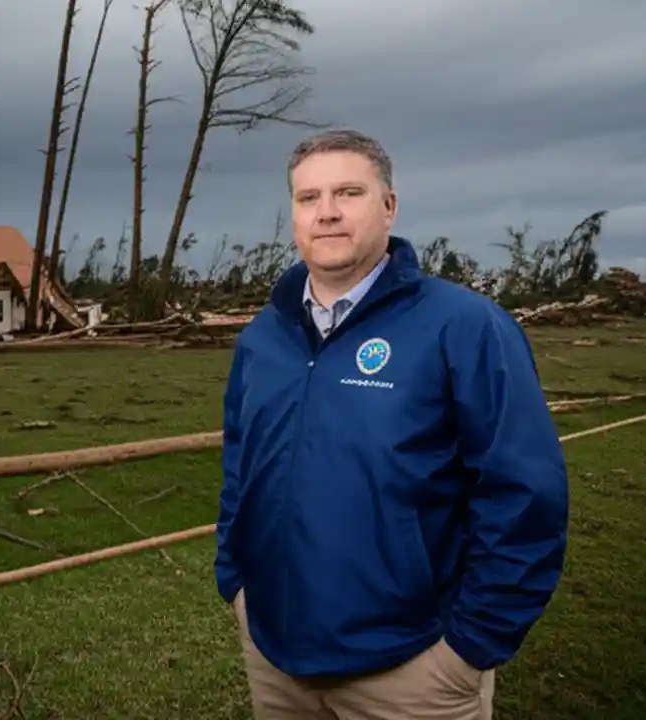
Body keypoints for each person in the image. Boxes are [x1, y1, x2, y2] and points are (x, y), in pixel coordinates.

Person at [214, 128, 569, 719]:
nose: (326, 213)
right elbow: (238, 467)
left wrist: (468, 648)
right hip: (276, 659)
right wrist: (237, 580)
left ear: (389, 206)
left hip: (410, 671)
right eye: (308, 198)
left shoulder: (465, 327)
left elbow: (525, 495)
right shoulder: (262, 339)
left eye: (348, 192)